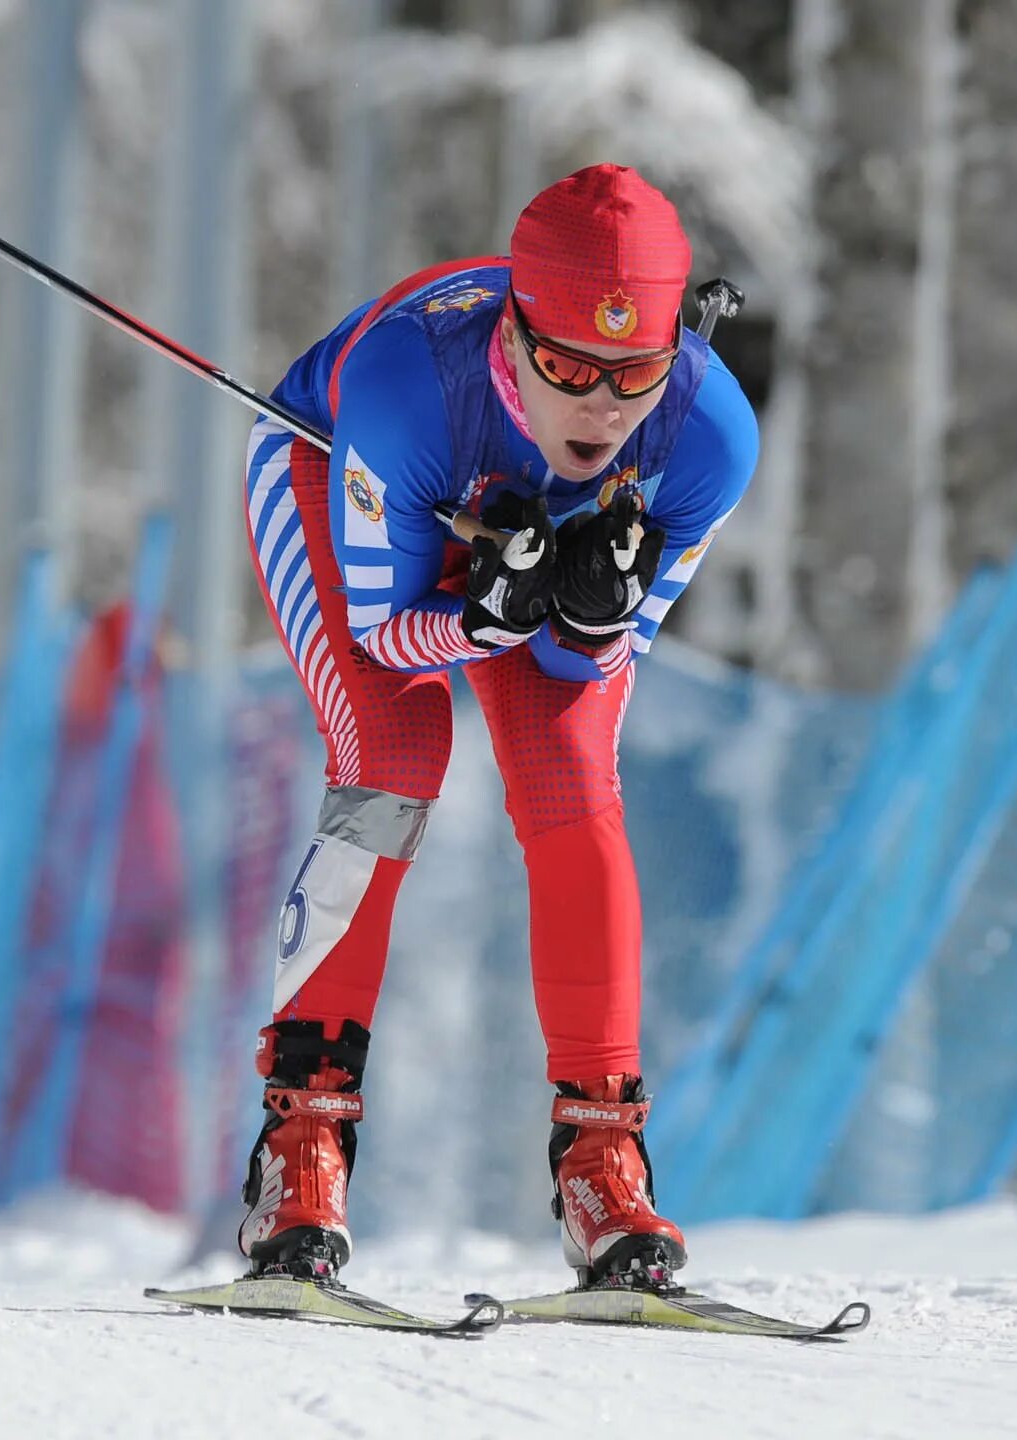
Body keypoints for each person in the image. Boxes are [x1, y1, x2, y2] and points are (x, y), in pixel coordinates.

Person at [236, 163, 758, 1289]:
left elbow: (589, 665)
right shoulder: (405, 389)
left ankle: (604, 1161)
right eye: (569, 367)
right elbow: (383, 637)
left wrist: (589, 612)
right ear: (514, 337)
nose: (602, 408)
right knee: (394, 758)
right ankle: (303, 1142)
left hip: (499, 549)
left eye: (634, 374)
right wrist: (481, 616)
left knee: (573, 773)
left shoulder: (708, 438)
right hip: (340, 473)